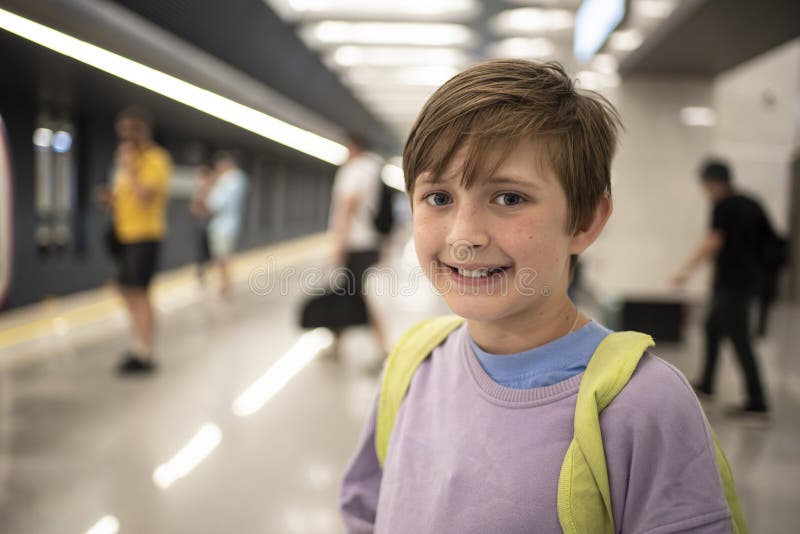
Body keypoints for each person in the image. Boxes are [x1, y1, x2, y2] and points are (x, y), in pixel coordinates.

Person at [340, 60, 737, 532]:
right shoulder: (411, 365)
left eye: (508, 198)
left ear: (586, 220)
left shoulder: (644, 405)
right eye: (439, 198)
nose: (464, 237)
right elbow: (367, 512)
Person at [673, 160, 771, 415]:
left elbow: (714, 241)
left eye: (705, 184)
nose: (704, 190)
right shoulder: (751, 203)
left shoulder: (724, 206)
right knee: (712, 327)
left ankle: (757, 403)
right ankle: (707, 384)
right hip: (747, 280)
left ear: (713, 182)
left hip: (734, 283)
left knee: (739, 339)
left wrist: (686, 270)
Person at [101, 107, 172, 373]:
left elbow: (144, 195)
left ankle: (145, 352)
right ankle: (138, 341)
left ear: (141, 133)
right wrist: (109, 199)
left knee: (140, 293)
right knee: (126, 289)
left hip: (145, 236)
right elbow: (124, 198)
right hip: (125, 236)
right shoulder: (126, 164)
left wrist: (130, 167)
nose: (124, 140)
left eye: (128, 134)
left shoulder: (155, 159)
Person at [328, 136, 388, 355]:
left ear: (352, 148)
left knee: (357, 294)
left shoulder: (355, 171)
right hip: (369, 241)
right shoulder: (373, 170)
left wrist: (339, 242)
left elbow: (348, 205)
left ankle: (383, 349)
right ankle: (336, 343)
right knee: (346, 291)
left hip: (355, 243)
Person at [205, 152, 248, 296]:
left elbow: (215, 203)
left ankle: (225, 284)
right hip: (229, 225)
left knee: (222, 257)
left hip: (222, 227)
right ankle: (225, 283)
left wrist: (212, 183)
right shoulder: (240, 179)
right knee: (223, 256)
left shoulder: (229, 180)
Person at [188, 164, 213, 285]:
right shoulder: (197, 191)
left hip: (209, 224)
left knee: (209, 251)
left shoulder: (212, 189)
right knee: (199, 250)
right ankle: (201, 275)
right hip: (200, 222)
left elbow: (210, 207)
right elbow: (193, 208)